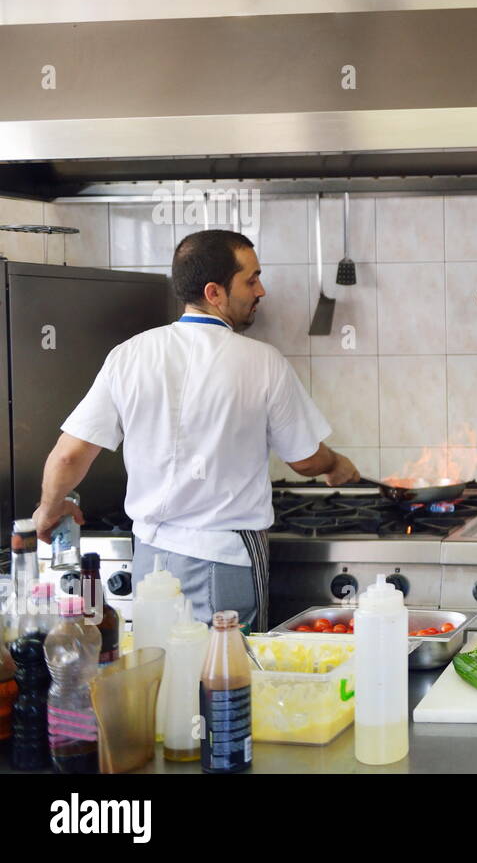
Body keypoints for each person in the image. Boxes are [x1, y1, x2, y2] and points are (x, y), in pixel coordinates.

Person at [32, 229, 359, 631]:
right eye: (251, 279)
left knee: (166, 684)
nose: (262, 290)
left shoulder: (130, 355)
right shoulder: (261, 361)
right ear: (214, 292)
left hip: (151, 560)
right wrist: (336, 465)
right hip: (224, 561)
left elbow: (68, 455)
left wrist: (47, 512)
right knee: (226, 684)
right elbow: (306, 459)